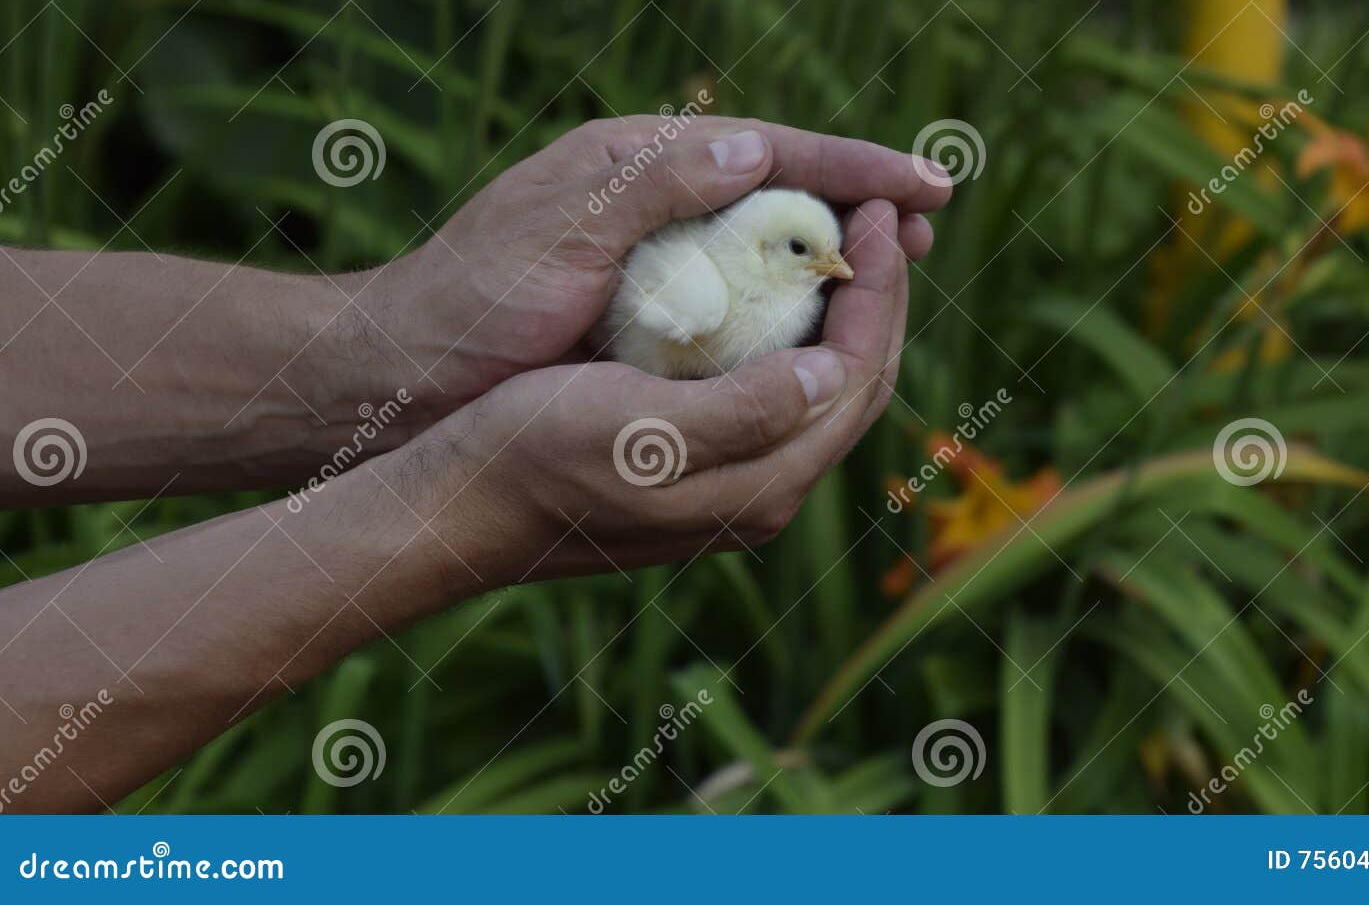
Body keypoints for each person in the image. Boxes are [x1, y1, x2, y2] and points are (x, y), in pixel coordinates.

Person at [0, 116, 949, 812]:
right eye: (805, 252)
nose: (829, 269)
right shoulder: (706, 287)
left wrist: (390, 348)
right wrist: (460, 506)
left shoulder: (759, 281)